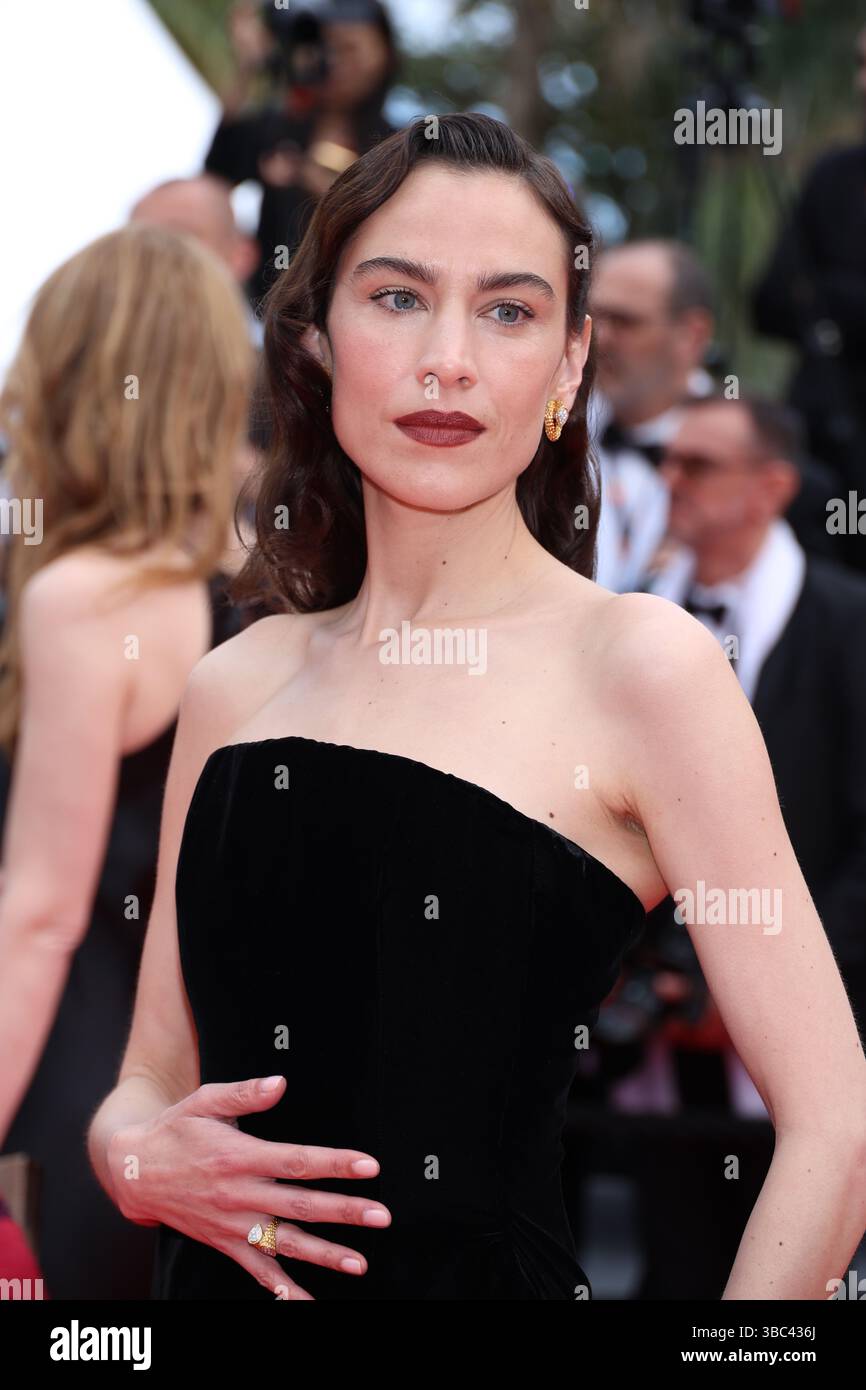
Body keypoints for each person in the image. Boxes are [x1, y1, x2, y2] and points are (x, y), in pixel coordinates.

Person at [88, 114, 866, 1302]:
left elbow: (836, 1123)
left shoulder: (641, 665)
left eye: (506, 311)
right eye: (397, 297)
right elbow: (145, 1081)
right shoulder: (234, 681)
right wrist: (134, 1158)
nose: (446, 357)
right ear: (313, 340)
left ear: (566, 366)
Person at [0, 224, 255, 1298]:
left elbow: (40, 915)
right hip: (199, 1111)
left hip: (66, 1095)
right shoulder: (277, 590)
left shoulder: (89, 596)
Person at [568, 394, 866, 1298]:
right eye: (670, 460)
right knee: (677, 1253)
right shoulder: (627, 621)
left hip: (805, 1021)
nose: (671, 479)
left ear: (771, 486)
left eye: (700, 464)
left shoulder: (847, 624)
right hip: (655, 1030)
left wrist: (768, 981)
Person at [752, 22, 866, 575]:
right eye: (861, 64)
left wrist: (831, 299)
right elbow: (771, 301)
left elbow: (809, 297)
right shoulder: (834, 175)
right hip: (820, 445)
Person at [205, 0, 398, 308]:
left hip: (339, 313)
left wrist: (326, 190)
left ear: (384, 54)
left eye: (351, 49)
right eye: (328, 47)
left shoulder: (394, 148)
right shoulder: (289, 124)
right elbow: (216, 170)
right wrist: (248, 67)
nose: (336, 61)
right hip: (259, 303)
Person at [588, 240, 715, 593]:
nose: (599, 338)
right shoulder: (547, 434)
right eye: (594, 316)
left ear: (693, 336)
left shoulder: (746, 458)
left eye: (625, 322)